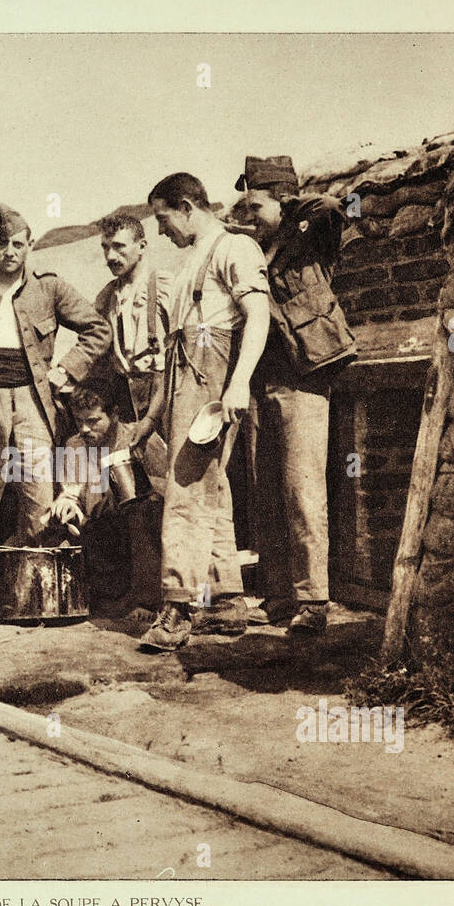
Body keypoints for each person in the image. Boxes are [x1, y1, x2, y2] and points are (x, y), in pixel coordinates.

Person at [0, 202, 112, 616]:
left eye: (19, 243)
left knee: (38, 491)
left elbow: (98, 329)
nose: (10, 251)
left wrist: (68, 369)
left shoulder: (50, 287)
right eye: (1, 243)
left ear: (30, 245)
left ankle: (35, 584)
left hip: (33, 400)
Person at [137, 172, 272, 652]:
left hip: (212, 372)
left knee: (186, 486)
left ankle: (177, 609)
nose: (160, 230)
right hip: (186, 369)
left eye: (163, 217)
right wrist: (152, 417)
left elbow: (258, 316)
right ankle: (225, 598)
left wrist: (237, 383)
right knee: (210, 484)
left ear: (188, 206)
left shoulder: (234, 248)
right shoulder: (191, 258)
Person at [237, 155, 356, 635]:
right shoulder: (253, 251)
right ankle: (280, 594)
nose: (248, 216)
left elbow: (334, 206)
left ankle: (314, 602)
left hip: (304, 378)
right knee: (266, 492)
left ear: (283, 200)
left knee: (303, 490)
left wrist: (286, 206)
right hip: (260, 384)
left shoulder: (312, 237)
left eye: (256, 205)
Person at [48, 379, 164, 618]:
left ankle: (147, 600)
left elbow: (170, 488)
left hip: (143, 530)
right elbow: (72, 493)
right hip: (100, 532)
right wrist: (66, 504)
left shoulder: (139, 438)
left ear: (114, 414)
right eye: (79, 421)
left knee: (143, 510)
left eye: (92, 421)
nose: (85, 429)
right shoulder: (74, 445)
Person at [91, 213, 170, 423]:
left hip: (162, 392)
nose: (110, 256)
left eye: (118, 247)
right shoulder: (105, 296)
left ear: (142, 246)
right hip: (124, 394)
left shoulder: (163, 285)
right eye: (105, 247)